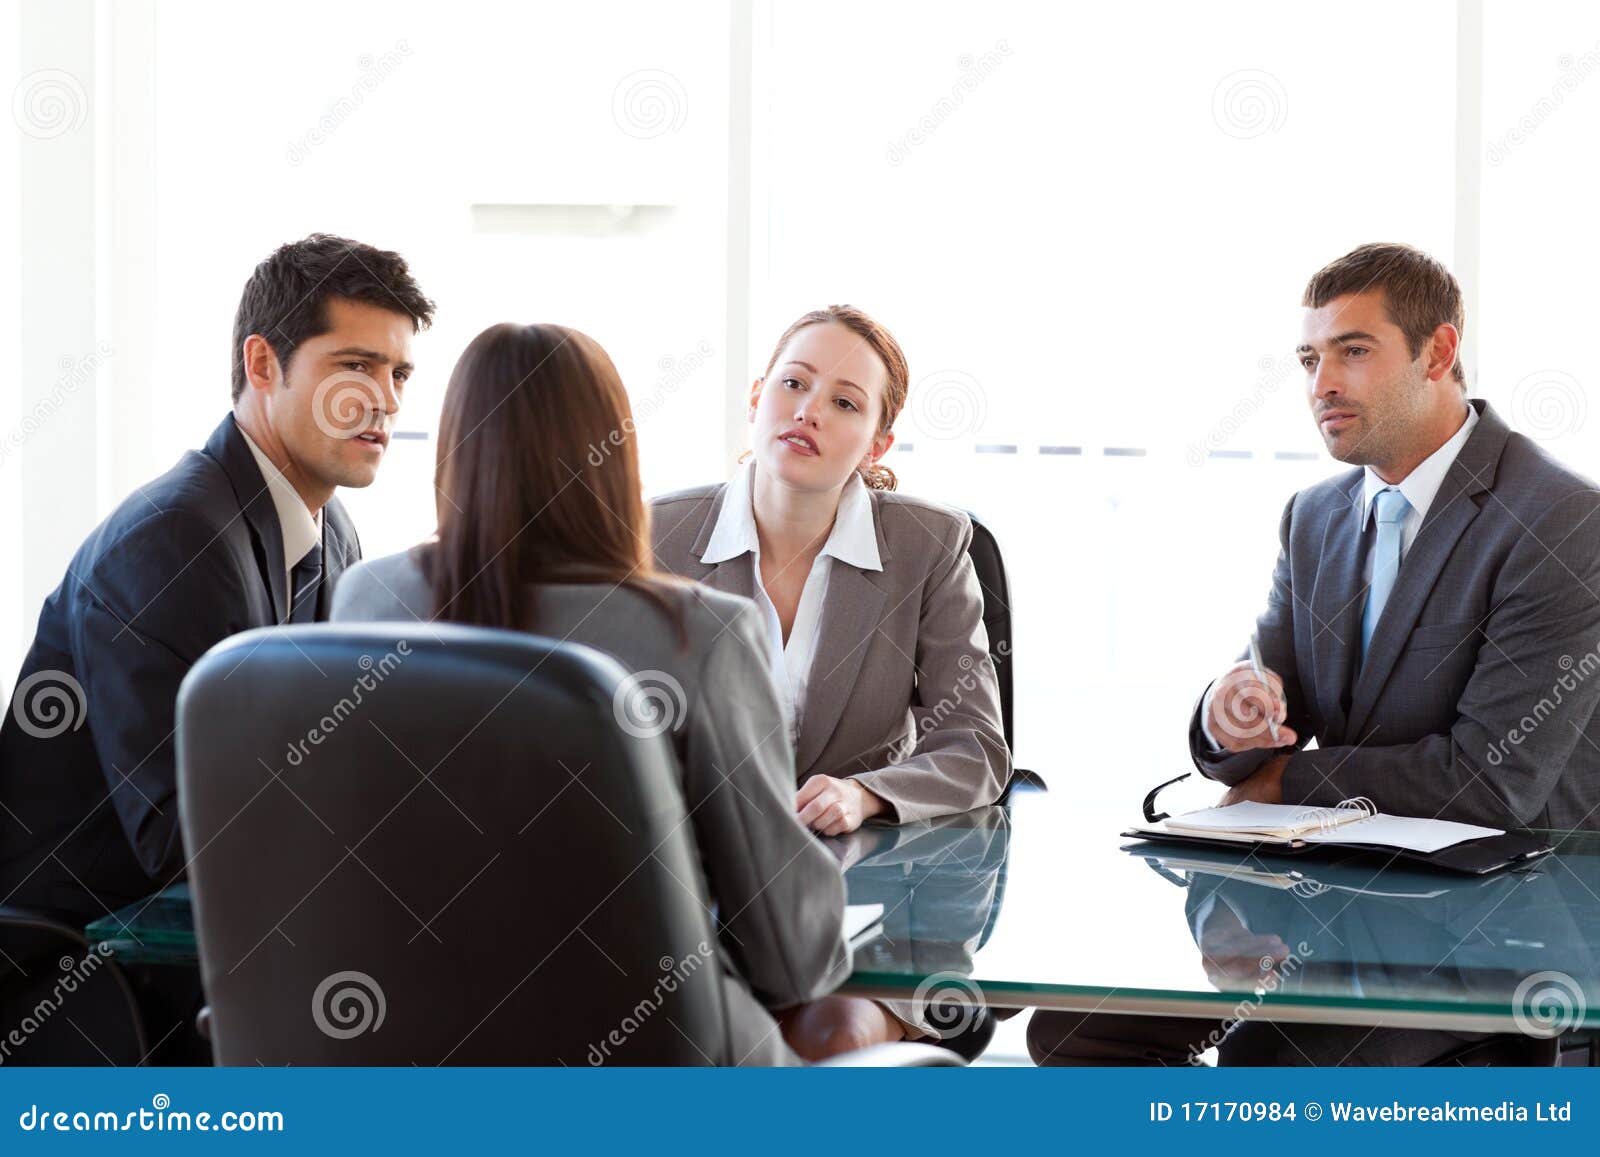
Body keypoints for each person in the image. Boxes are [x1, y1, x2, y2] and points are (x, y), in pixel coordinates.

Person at [1030, 241, 1600, 1066]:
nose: (1320, 384)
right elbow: (1268, 700)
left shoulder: (1561, 519)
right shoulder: (1316, 516)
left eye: (1353, 351)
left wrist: (1286, 781)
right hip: (1336, 903)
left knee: (1276, 1056)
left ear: (1438, 352)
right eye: (1309, 358)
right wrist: (1230, 717)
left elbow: (1491, 781)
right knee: (1075, 1027)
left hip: (1502, 931)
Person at [331, 322, 851, 1066]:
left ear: (455, 447)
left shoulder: (367, 602)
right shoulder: (700, 634)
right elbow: (792, 954)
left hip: (415, 1055)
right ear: (614, 455)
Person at [0, 233, 432, 1063]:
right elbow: (179, 835)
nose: (384, 399)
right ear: (263, 364)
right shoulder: (171, 539)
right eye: (354, 366)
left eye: (398, 373)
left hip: (204, 952)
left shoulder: (326, 527)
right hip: (79, 977)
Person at [649, 304, 1011, 1056]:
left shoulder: (929, 544)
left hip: (869, 908)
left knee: (825, 1036)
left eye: (845, 401)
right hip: (690, 900)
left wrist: (867, 791)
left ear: (877, 441)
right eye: (793, 384)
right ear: (756, 400)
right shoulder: (657, 534)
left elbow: (976, 744)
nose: (809, 410)